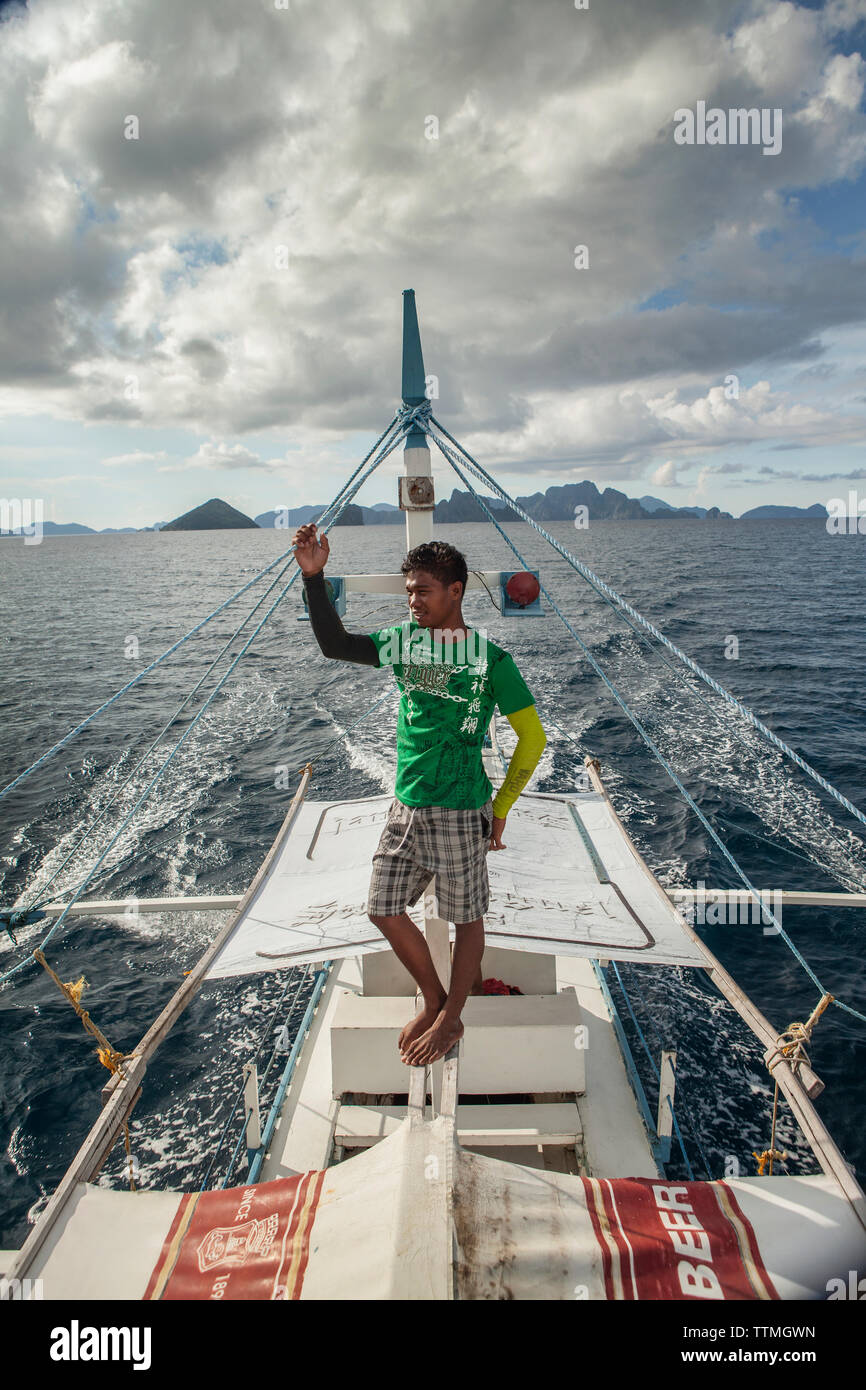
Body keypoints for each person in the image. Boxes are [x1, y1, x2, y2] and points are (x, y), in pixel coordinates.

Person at [291, 524, 547, 1066]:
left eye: (423, 590)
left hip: (460, 810)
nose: (412, 601)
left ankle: (453, 1018)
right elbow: (335, 645)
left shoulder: (490, 659)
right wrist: (313, 578)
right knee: (383, 908)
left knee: (466, 917)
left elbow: (533, 738)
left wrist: (499, 809)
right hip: (406, 805)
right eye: (408, 590)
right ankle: (433, 998)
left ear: (456, 591)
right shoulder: (402, 642)